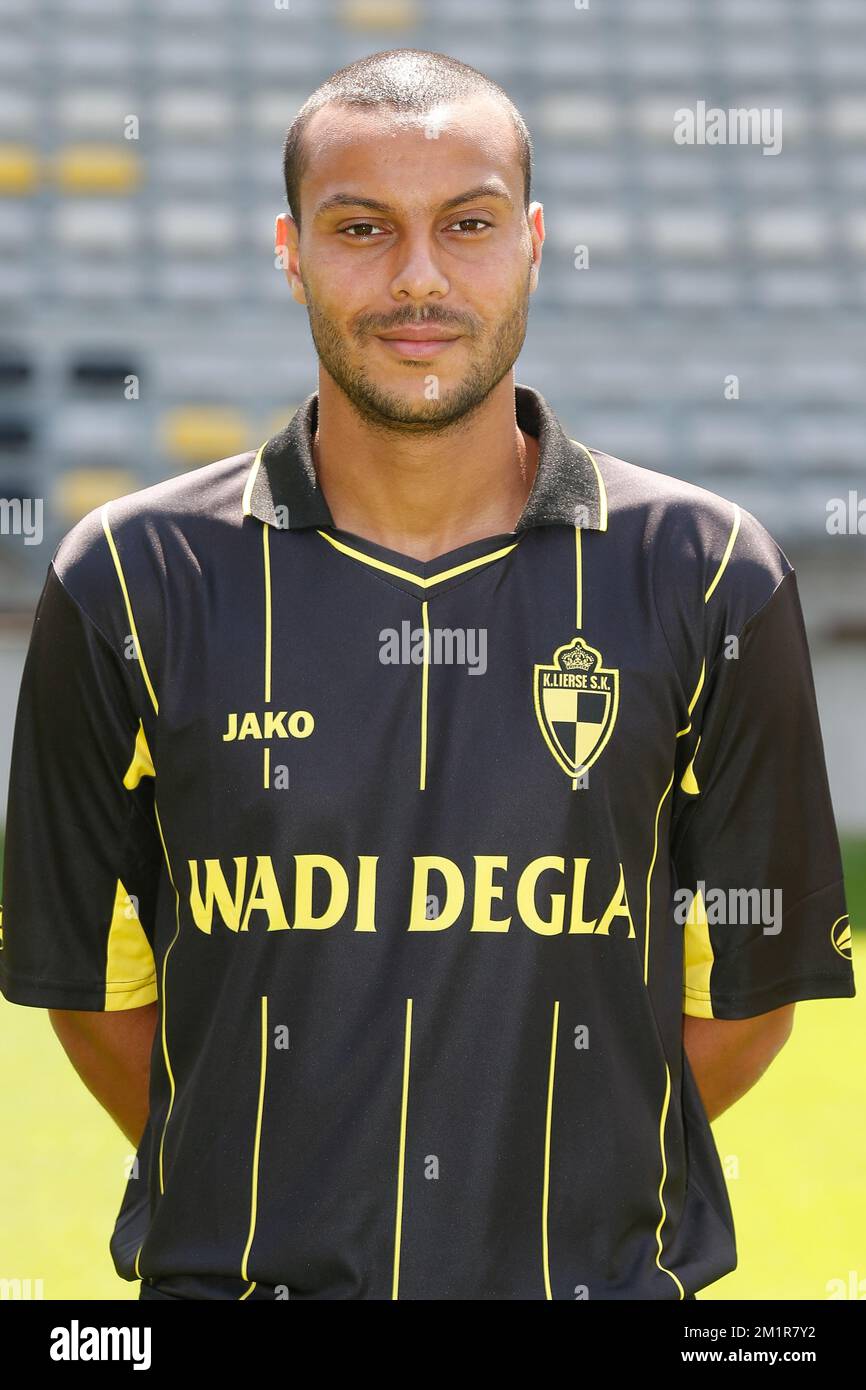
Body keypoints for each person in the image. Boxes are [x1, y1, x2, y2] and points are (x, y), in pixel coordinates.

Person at [0, 49, 855, 1301]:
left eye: (467, 224)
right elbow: (102, 991)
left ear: (531, 242)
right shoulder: (127, 578)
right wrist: (288, 1189)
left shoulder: (712, 573)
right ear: (288, 250)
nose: (415, 275)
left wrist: (529, 1211)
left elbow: (739, 1003)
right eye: (360, 228)